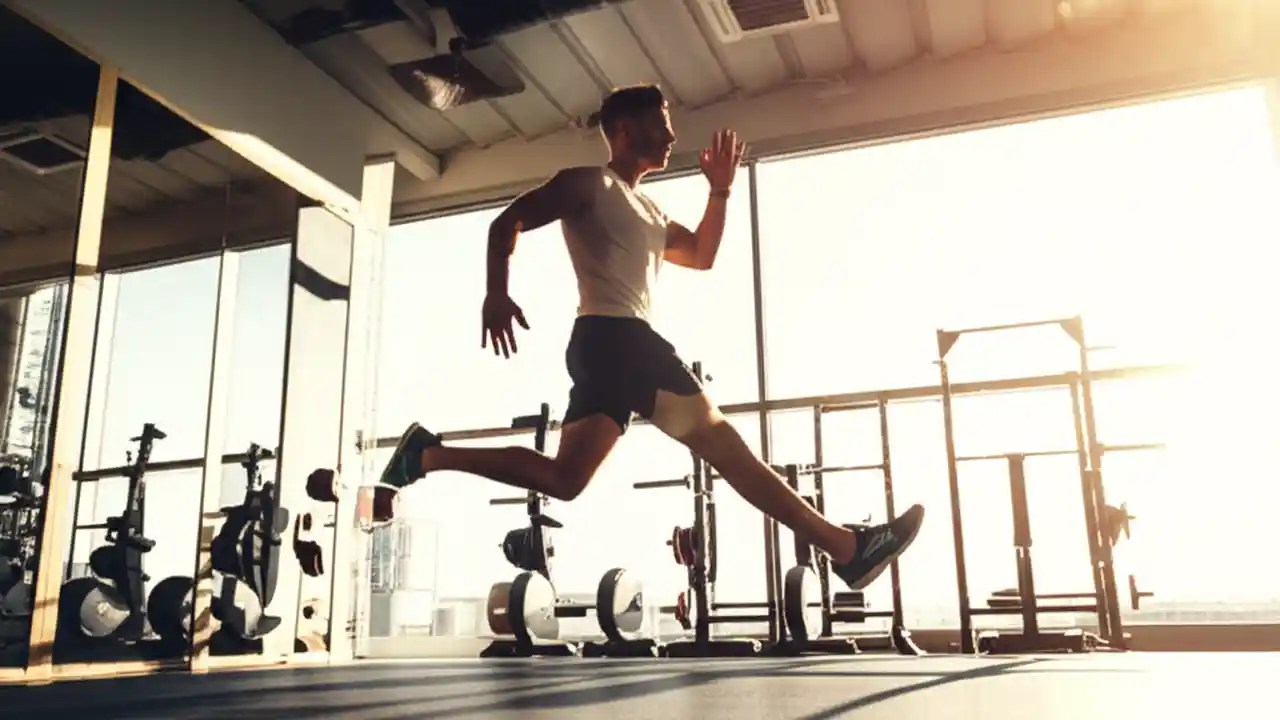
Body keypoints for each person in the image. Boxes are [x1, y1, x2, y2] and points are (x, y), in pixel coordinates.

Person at [374, 84, 925, 592]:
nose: (671, 135)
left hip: (608, 348)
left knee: (565, 480)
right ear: (623, 130)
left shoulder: (650, 209)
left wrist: (722, 191)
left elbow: (702, 256)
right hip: (618, 339)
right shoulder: (587, 183)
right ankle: (847, 547)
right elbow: (506, 224)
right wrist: (496, 293)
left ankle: (427, 455)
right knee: (728, 449)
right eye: (660, 124)